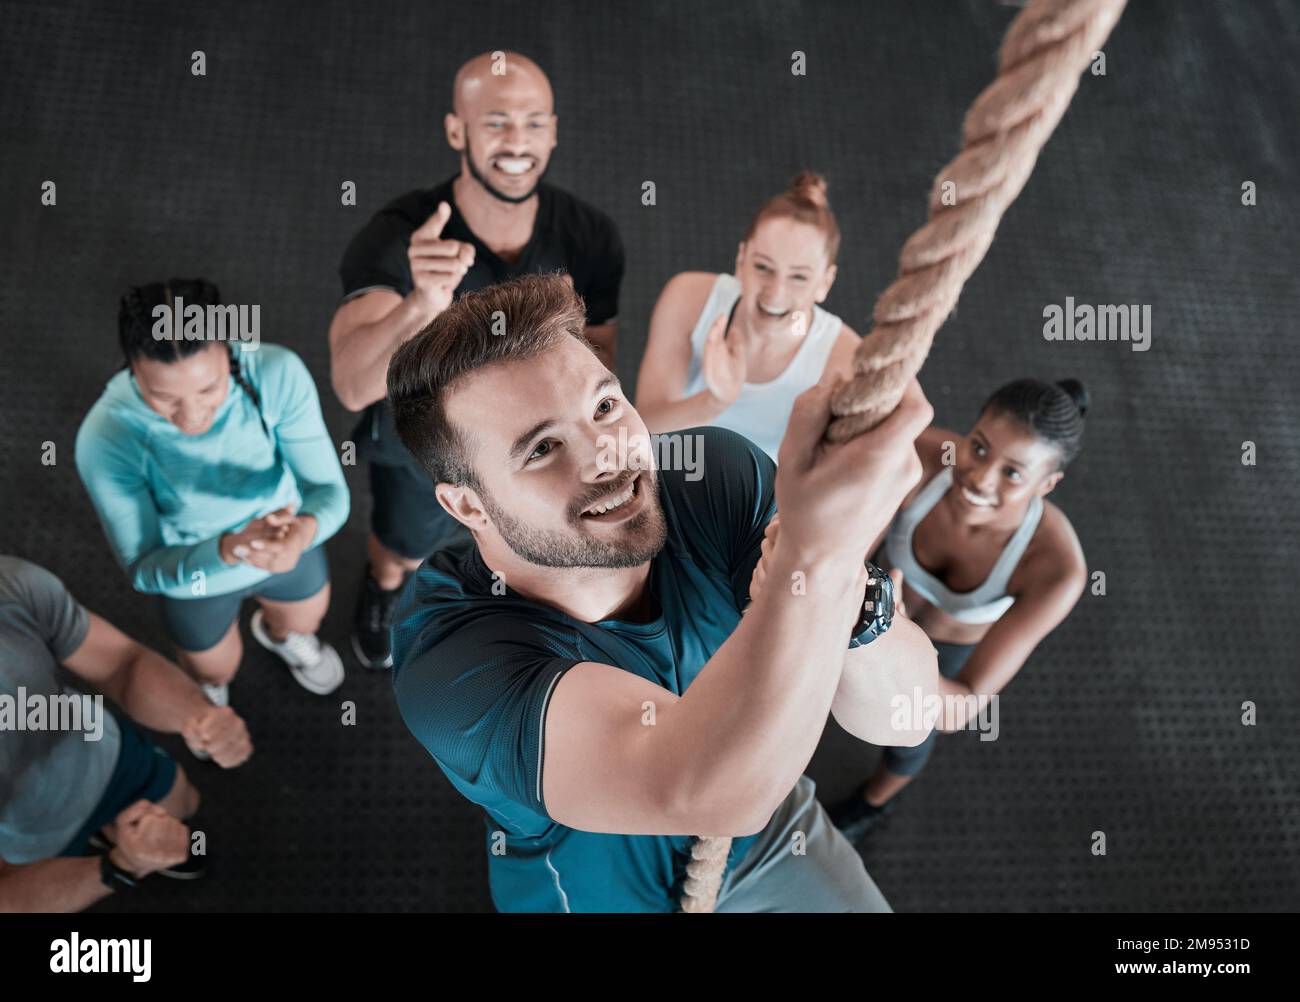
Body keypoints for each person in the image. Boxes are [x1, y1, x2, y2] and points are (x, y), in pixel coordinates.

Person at [385, 274, 941, 913]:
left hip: (767, 833)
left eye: (604, 406)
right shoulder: (447, 663)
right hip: (604, 895)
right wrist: (818, 560)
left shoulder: (714, 477)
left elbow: (906, 715)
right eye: (541, 449)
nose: (609, 454)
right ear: (466, 504)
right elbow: (705, 789)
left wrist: (849, 588)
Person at [330, 50, 625, 671]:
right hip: (424, 450)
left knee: (528, 551)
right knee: (402, 551)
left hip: (537, 448)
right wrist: (421, 303)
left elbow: (598, 351)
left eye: (534, 121)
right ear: (457, 131)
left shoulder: (591, 236)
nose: (517, 141)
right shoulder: (401, 236)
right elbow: (353, 384)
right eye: (496, 122)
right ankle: (385, 591)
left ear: (553, 129)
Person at [829, 378, 1090, 842]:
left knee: (910, 736)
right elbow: (847, 549)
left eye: (1013, 474)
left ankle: (873, 803)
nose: (980, 478)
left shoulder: (1055, 567)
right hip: (873, 604)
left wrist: (895, 642)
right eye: (980, 448)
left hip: (946, 659)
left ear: (1047, 484)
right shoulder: (923, 457)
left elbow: (963, 705)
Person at [75, 279, 350, 707]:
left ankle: (280, 639)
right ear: (132, 368)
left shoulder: (275, 373)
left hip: (285, 541)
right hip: (195, 572)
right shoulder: (106, 438)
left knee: (301, 624)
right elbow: (143, 567)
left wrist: (301, 534)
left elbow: (329, 491)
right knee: (213, 671)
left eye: (209, 388)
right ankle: (208, 692)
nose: (192, 414)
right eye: (163, 397)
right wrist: (228, 549)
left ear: (228, 349)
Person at [0, 555, 252, 913]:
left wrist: (199, 715)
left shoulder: (10, 585)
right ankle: (119, 846)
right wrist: (121, 866)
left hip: (100, 752)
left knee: (185, 803)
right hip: (24, 847)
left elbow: (122, 663)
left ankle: (119, 835)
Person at [634, 171, 861, 462]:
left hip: (766, 502)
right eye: (763, 268)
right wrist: (714, 402)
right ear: (741, 260)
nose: (775, 293)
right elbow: (645, 429)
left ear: (824, 283)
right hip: (675, 474)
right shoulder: (688, 298)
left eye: (799, 277)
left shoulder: (844, 358)